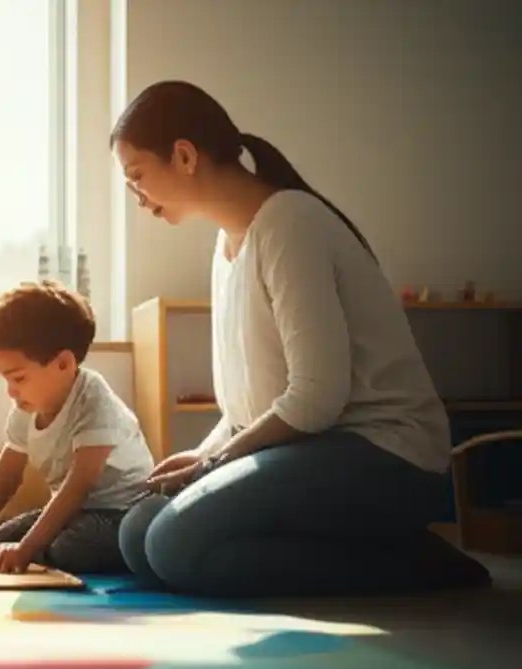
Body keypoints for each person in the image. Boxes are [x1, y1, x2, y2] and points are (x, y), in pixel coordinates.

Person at [111, 80, 489, 597]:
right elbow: (255, 400)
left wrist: (213, 465)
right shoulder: (227, 246)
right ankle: (376, 552)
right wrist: (208, 450)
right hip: (309, 452)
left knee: (173, 545)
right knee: (139, 534)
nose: (138, 198)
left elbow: (316, 398)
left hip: (383, 455)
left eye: (137, 177)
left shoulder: (290, 222)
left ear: (183, 155)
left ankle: (417, 563)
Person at [0, 282, 154, 575]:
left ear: (64, 363)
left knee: (70, 547)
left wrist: (27, 548)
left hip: (119, 513)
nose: (11, 392)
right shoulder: (27, 408)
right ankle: (44, 556)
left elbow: (78, 487)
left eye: (18, 378)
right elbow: (6, 475)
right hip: (75, 515)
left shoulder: (95, 401)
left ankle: (54, 557)